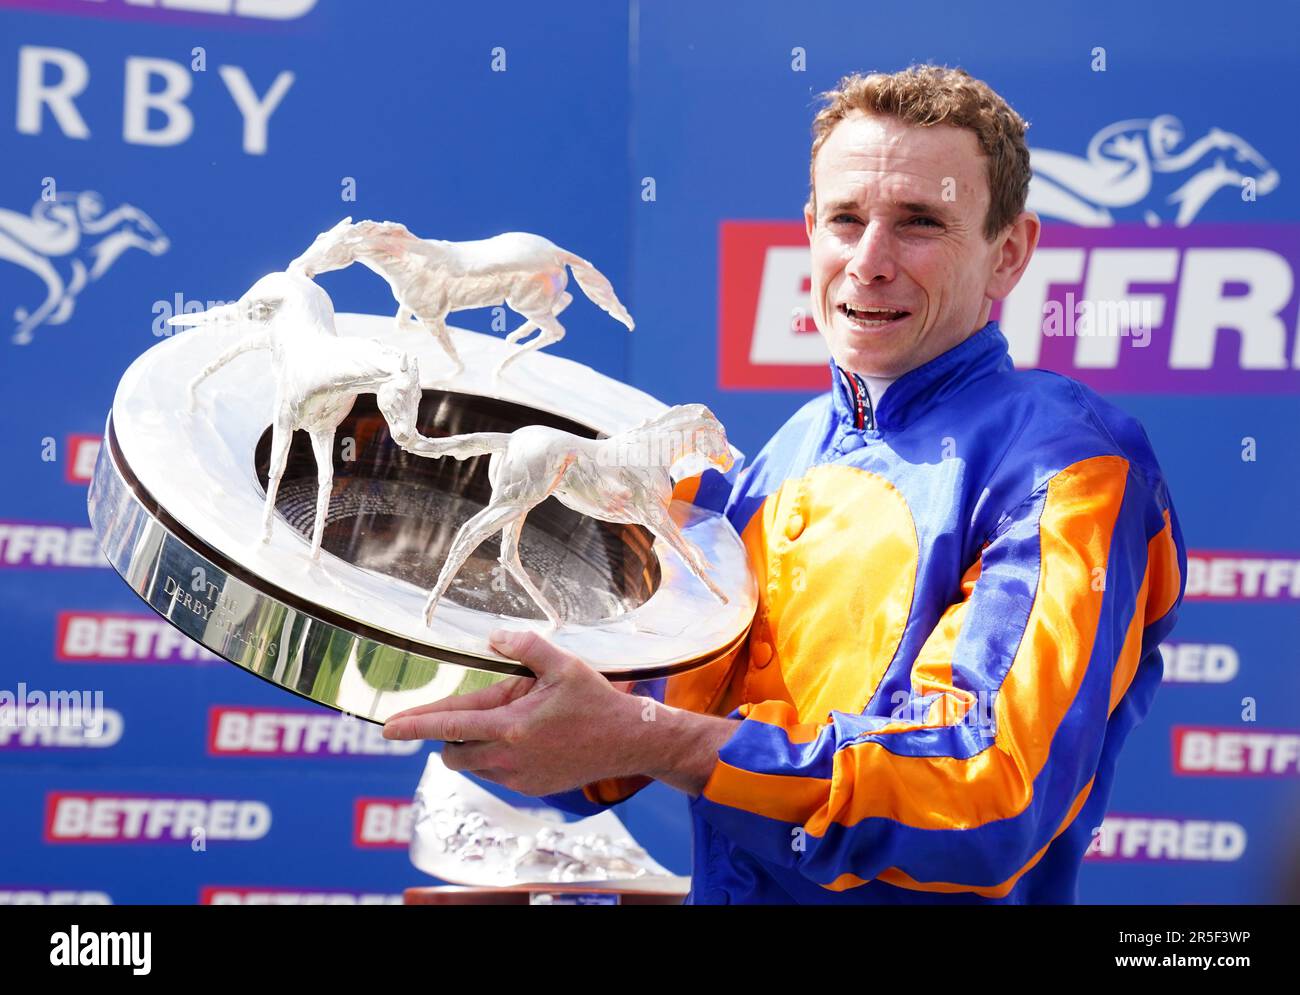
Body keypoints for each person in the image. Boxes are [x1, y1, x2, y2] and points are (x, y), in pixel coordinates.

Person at [383, 64, 1187, 904]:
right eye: (846, 219)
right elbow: (611, 743)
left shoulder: (1070, 465)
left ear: (1009, 252)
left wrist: (656, 738)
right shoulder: (777, 457)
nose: (869, 261)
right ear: (810, 230)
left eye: (920, 222)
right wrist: (458, 658)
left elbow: (983, 793)